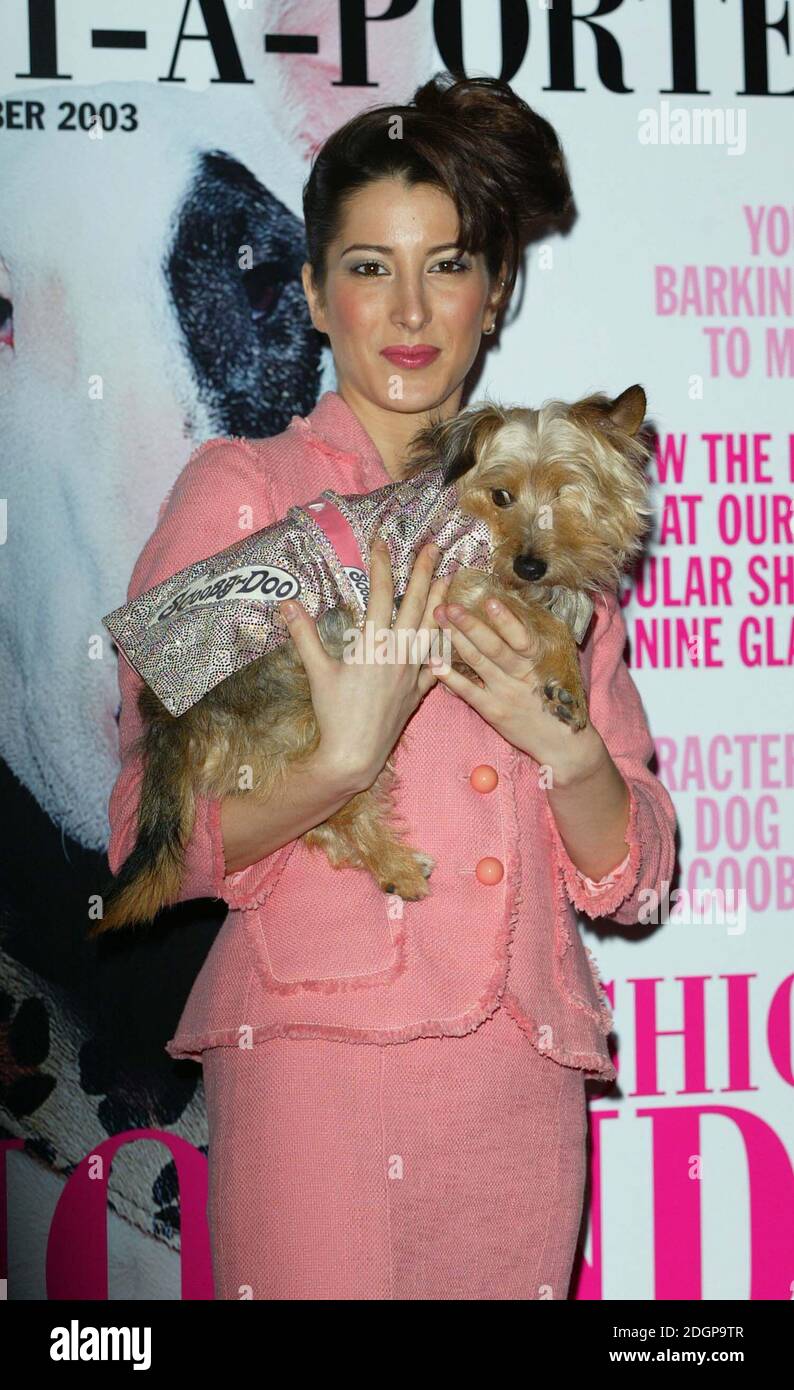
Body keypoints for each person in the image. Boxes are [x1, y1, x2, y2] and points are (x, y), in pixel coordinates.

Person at [106, 72, 677, 1300]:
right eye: (367, 267)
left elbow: (634, 872)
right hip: (320, 1072)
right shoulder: (246, 494)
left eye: (449, 263)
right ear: (312, 293)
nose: (409, 309)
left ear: (496, 291)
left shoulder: (555, 520)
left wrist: (567, 748)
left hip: (517, 1081)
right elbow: (141, 832)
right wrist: (332, 766)